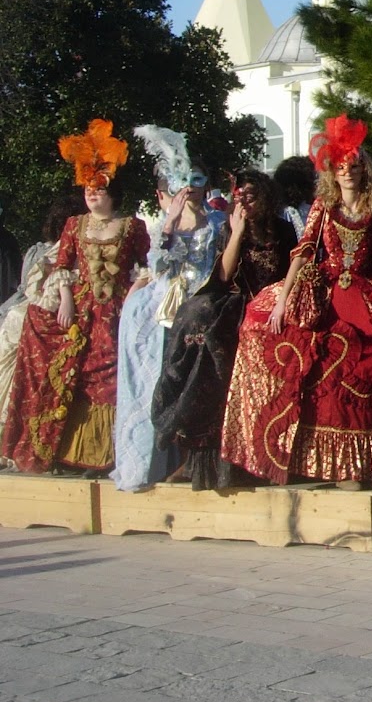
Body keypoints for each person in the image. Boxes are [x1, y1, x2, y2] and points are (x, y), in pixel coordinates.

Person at [220, 116, 372, 486]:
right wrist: (283, 299)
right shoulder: (323, 207)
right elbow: (301, 254)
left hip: (367, 289)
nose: (348, 173)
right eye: (342, 167)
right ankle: (326, 461)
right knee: (312, 347)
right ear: (332, 172)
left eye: (354, 167)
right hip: (329, 289)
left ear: (364, 171)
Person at [2, 120, 150, 473]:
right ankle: (72, 452)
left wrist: (133, 298)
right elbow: (62, 267)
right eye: (87, 188)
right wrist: (66, 297)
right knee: (74, 370)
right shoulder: (74, 225)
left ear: (113, 191)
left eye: (98, 188)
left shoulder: (133, 226)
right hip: (82, 309)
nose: (92, 194)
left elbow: (146, 267)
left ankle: (112, 454)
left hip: (117, 309)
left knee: (113, 376)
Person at [151, 169, 297, 489]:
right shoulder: (230, 229)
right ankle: (201, 452)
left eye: (251, 196)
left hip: (274, 304)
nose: (244, 202)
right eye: (239, 197)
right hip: (237, 303)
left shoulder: (285, 230)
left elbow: (291, 273)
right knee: (201, 331)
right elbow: (223, 276)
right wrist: (237, 232)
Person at [110, 126, 225, 492]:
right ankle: (158, 457)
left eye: (196, 178)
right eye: (181, 180)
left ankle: (196, 455)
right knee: (154, 359)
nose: (188, 186)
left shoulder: (219, 222)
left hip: (205, 297)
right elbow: (159, 265)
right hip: (167, 300)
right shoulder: (164, 225)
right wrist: (171, 227)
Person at [0, 192, 79, 460]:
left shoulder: (73, 252)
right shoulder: (41, 251)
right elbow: (25, 288)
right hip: (25, 316)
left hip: (46, 318)